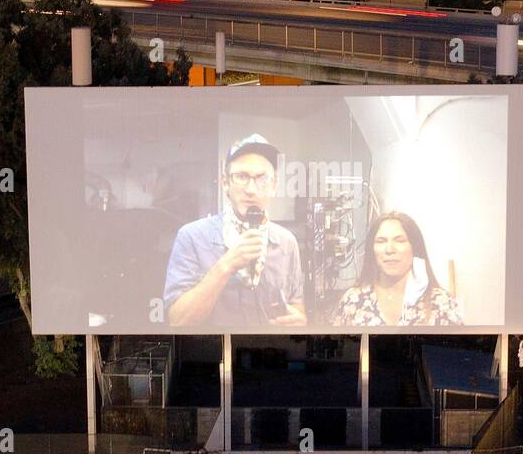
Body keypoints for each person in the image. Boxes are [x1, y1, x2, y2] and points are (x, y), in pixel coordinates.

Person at [163, 134, 306, 327]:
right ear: (225, 183)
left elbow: (296, 308)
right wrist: (226, 265)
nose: (251, 189)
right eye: (241, 177)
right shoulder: (192, 237)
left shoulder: (286, 242)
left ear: (274, 186)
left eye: (262, 178)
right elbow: (178, 321)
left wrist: (299, 322)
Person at [331, 212, 464, 326]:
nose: (389, 250)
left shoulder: (440, 303)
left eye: (400, 241)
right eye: (381, 241)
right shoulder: (352, 300)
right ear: (372, 250)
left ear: (415, 248)